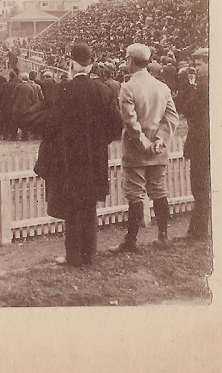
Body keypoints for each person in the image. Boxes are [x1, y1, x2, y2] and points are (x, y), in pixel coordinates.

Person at [29, 43, 122, 267]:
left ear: (71, 64)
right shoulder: (104, 90)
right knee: (89, 206)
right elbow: (116, 125)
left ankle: (73, 257)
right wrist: (99, 142)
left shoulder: (64, 90)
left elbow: (51, 123)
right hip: (94, 158)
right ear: (91, 65)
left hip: (69, 158)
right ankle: (89, 255)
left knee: (72, 208)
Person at [115, 43, 181, 252]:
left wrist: (144, 144)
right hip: (158, 149)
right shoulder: (162, 87)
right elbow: (172, 117)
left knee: (135, 194)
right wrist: (160, 141)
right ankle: (163, 236)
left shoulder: (128, 86)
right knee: (159, 191)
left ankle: (131, 241)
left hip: (137, 150)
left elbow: (130, 121)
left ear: (130, 62)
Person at [183, 47, 210, 241]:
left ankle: (198, 230)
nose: (196, 68)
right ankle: (198, 228)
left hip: (201, 143)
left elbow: (189, 109)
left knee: (200, 187)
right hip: (204, 142)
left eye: (200, 64)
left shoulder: (202, 86)